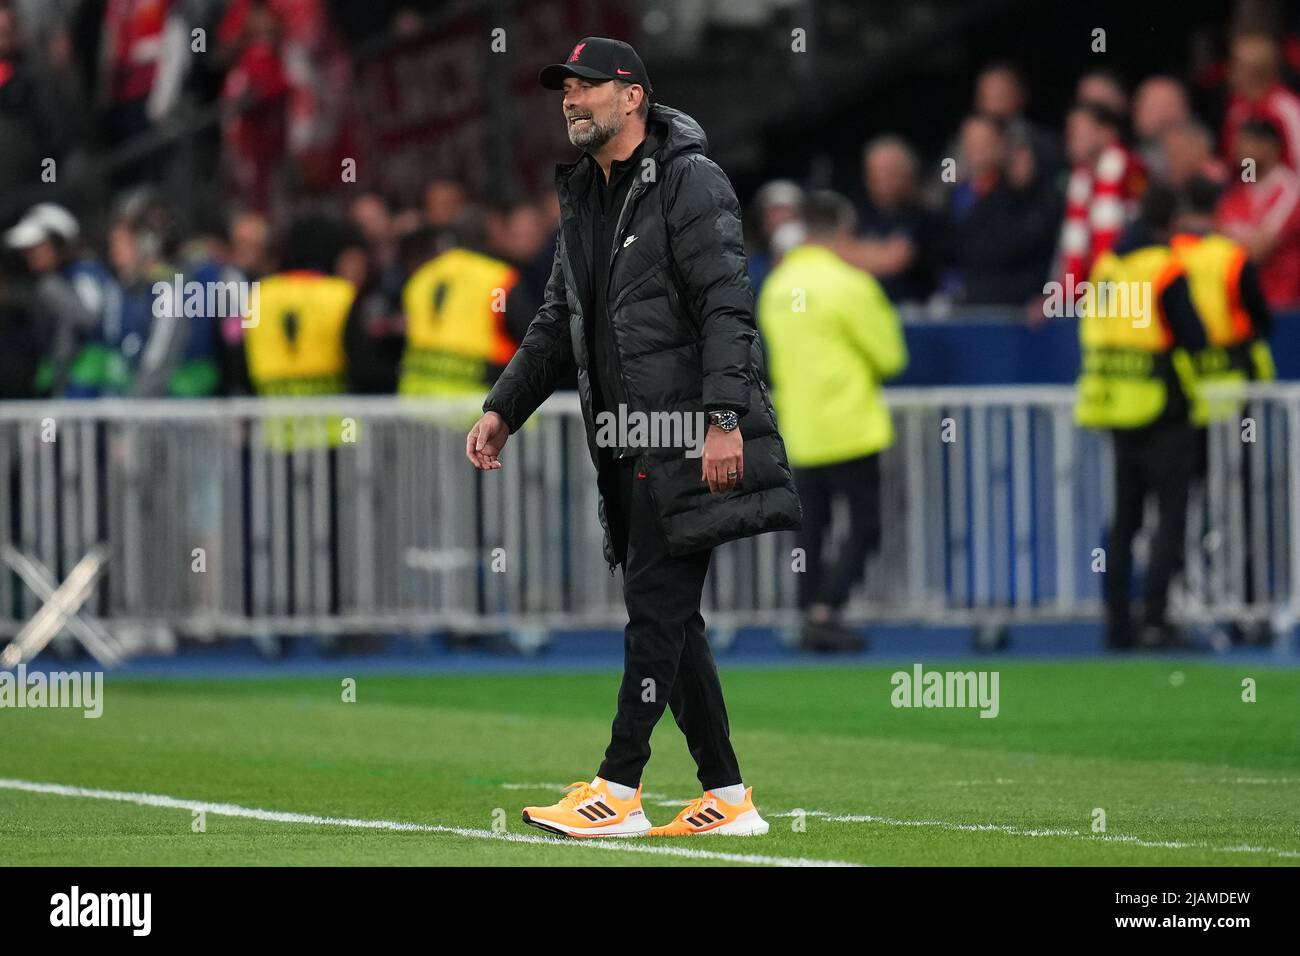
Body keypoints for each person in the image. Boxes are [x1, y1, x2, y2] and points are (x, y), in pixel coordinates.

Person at [465, 36, 800, 838]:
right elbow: (558, 321)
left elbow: (727, 309)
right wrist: (504, 408)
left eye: (584, 86)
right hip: (622, 436)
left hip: (682, 430)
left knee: (655, 609)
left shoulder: (691, 180)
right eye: (564, 90)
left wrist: (723, 421)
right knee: (672, 619)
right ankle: (728, 795)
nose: (570, 100)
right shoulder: (585, 191)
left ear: (632, 97)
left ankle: (618, 787)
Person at [757, 190, 907, 651]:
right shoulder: (851, 285)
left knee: (810, 532)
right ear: (844, 230)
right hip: (851, 428)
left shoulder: (776, 287)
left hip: (800, 431)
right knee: (865, 526)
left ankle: (809, 614)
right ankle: (826, 608)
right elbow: (891, 357)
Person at [1074, 186, 1208, 651]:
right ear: (1173, 222)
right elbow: (1193, 335)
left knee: (1125, 520)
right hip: (1161, 405)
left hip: (1115, 404)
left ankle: (1117, 623)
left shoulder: (1107, 267)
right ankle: (1154, 618)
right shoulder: (1164, 268)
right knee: (1170, 517)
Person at [1216, 117, 1300, 308]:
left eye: (1249, 143)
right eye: (1239, 143)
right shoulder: (1238, 192)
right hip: (1244, 304)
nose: (1240, 151)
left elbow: (1259, 251)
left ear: (1270, 148)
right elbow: (1217, 239)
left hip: (1282, 303)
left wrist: (1233, 243)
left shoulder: (1291, 190)